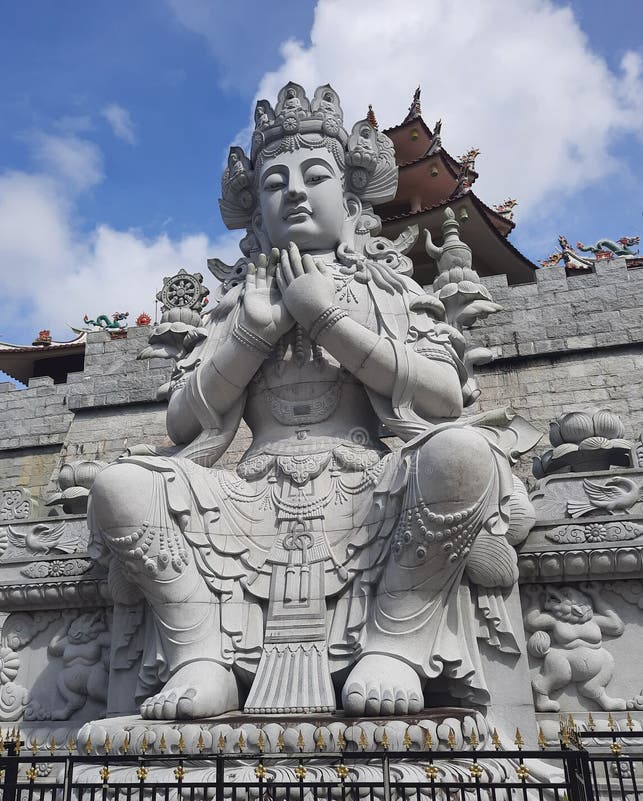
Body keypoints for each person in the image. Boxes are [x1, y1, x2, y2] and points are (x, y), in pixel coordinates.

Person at [89, 83, 530, 720]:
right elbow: (184, 421)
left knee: (461, 452)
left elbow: (443, 398)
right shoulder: (240, 301)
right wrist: (254, 332)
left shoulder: (386, 289)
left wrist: (327, 321)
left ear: (350, 204)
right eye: (275, 182)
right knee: (121, 485)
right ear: (258, 215)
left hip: (369, 483)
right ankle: (199, 656)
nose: (294, 191)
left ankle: (396, 646)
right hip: (249, 490)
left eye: (314, 175)